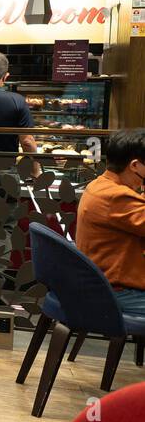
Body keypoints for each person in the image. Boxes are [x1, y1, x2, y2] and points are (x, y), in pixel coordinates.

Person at [75, 128, 145, 317]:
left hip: (98, 283)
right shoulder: (117, 196)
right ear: (135, 166)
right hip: (117, 291)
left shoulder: (99, 184)